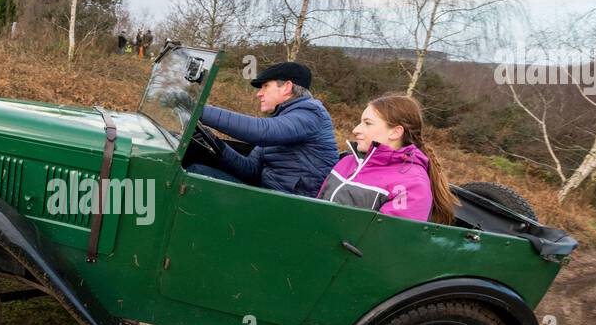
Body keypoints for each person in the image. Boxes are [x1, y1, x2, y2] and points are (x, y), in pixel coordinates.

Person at [188, 61, 338, 195]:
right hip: (269, 195)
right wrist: (216, 143)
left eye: (265, 86)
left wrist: (196, 109)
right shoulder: (281, 120)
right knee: (194, 168)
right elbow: (250, 170)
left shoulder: (311, 113)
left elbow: (262, 131)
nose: (259, 94)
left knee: (194, 175)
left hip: (290, 208)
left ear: (287, 87)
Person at [315, 92, 456, 224]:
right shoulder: (347, 161)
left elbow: (388, 243)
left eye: (367, 123)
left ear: (395, 132)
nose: (356, 130)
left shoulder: (412, 184)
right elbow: (316, 208)